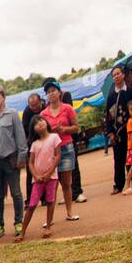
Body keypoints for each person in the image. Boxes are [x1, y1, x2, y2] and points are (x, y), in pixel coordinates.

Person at [0, 86, 26, 239]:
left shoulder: (12, 114)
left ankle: (18, 222)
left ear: (3, 97)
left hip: (11, 160)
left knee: (16, 193)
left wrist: (22, 158)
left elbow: (20, 137)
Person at [40, 81, 80, 221]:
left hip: (66, 147)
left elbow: (76, 127)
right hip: (51, 151)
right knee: (52, 184)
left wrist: (64, 130)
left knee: (66, 183)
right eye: (48, 92)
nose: (51, 93)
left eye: (53, 90)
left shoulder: (67, 108)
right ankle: (49, 219)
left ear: (59, 92)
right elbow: (41, 133)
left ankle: (69, 212)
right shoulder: (43, 114)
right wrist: (51, 131)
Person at [18, 115, 60, 241]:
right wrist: (36, 175)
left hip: (51, 177)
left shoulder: (54, 137)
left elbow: (58, 156)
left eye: (41, 120)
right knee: (31, 205)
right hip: (37, 179)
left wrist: (49, 173)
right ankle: (22, 232)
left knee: (50, 201)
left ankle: (48, 226)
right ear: (33, 129)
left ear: (46, 122)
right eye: (36, 123)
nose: (40, 123)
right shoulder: (34, 144)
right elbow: (30, 162)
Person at [103, 65, 132, 194]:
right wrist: (110, 133)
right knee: (119, 158)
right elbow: (108, 117)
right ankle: (119, 184)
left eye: (118, 73)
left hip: (131, 130)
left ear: (123, 75)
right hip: (118, 133)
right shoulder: (111, 97)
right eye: (114, 75)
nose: (116, 76)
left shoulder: (131, 91)